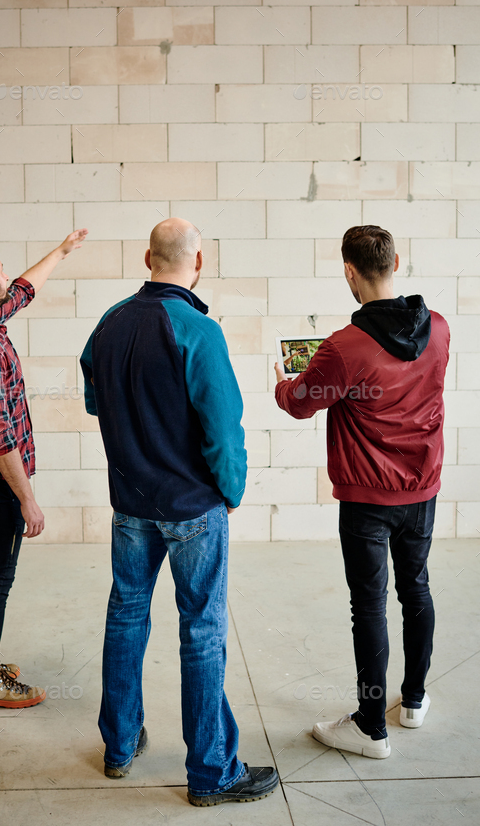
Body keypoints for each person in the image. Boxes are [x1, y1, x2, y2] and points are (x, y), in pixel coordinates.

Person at [80, 218, 279, 806]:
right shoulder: (199, 330)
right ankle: (212, 772)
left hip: (130, 505)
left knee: (125, 616)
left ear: (147, 257)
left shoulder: (109, 323)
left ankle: (118, 747)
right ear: (200, 262)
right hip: (191, 505)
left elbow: (96, 398)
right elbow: (223, 430)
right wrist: (232, 490)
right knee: (202, 630)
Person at [274, 225, 449, 759]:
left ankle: (371, 726)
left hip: (368, 500)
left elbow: (299, 401)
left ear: (349, 271)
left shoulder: (344, 348)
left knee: (368, 605)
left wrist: (284, 376)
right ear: (397, 259)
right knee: (415, 589)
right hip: (423, 489)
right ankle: (413, 701)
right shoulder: (439, 328)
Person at [0, 229, 87, 708]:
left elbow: (22, 291)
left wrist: (62, 250)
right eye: (1, 268)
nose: (8, 275)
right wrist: (27, 498)